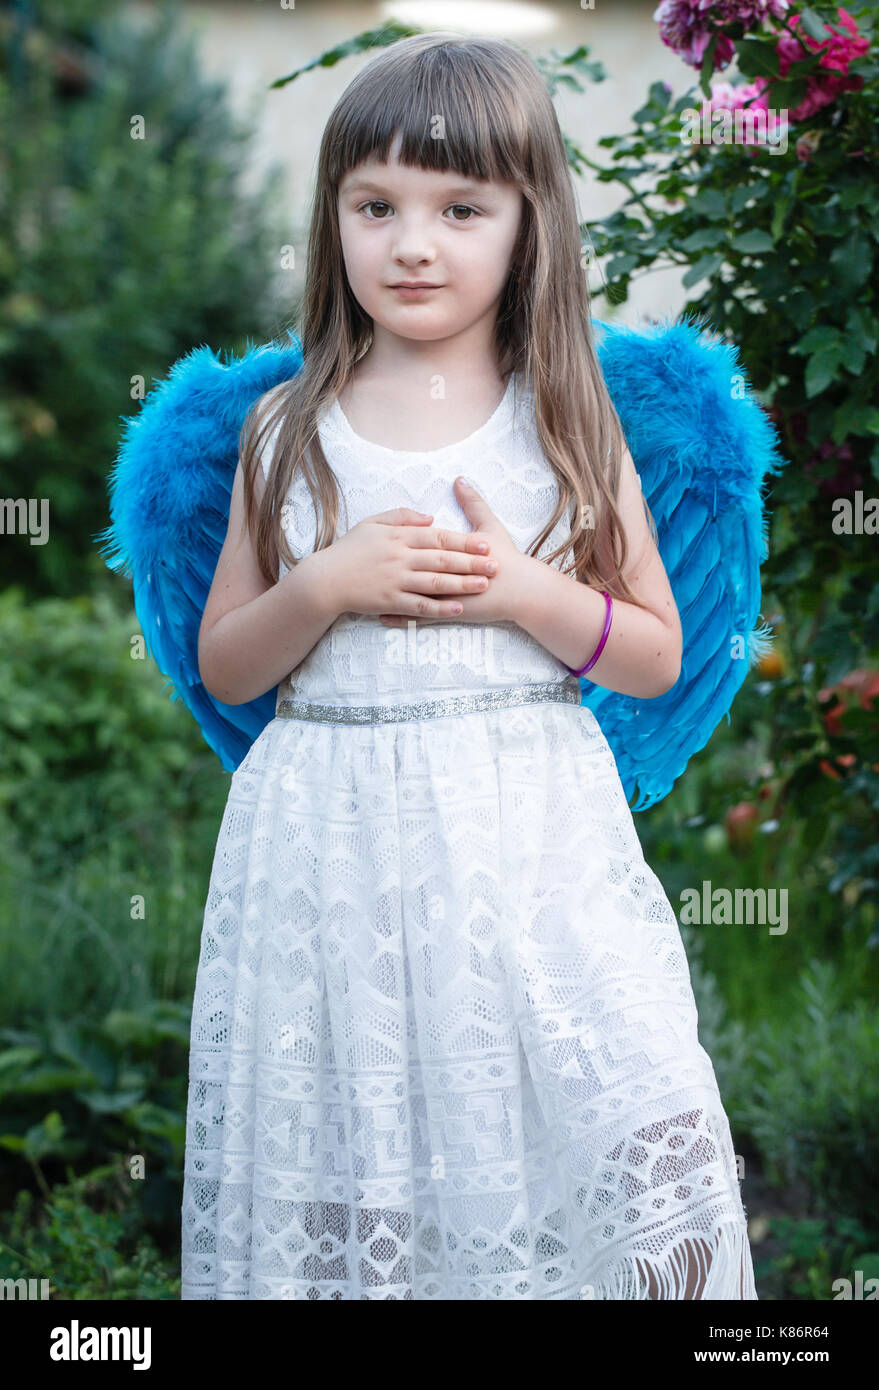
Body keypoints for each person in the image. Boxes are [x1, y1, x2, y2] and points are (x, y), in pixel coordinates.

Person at [180, 31, 757, 1301]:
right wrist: (323, 587)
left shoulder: (566, 416)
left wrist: (530, 592)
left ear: (527, 221)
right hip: (328, 842)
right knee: (363, 1133)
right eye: (374, 206)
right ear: (333, 218)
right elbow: (227, 664)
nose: (413, 243)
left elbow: (658, 653)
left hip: (527, 827)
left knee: (603, 1100)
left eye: (459, 207)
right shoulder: (284, 429)